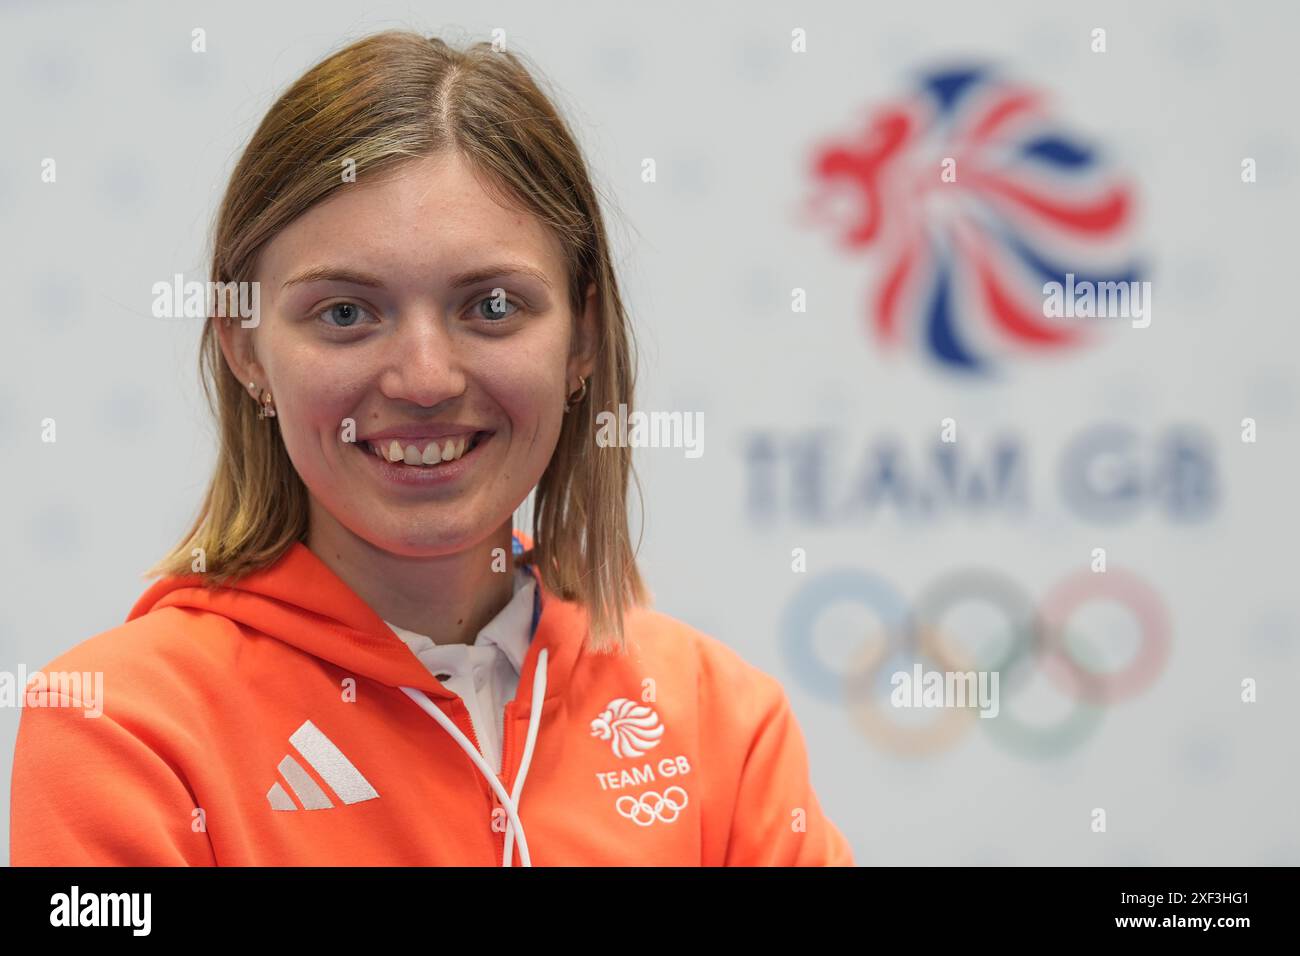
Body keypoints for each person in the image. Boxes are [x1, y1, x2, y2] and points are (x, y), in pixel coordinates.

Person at [9, 30, 854, 866]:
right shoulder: (126, 729)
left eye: (489, 307)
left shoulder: (720, 723)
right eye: (346, 312)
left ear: (583, 337)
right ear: (244, 346)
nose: (423, 380)